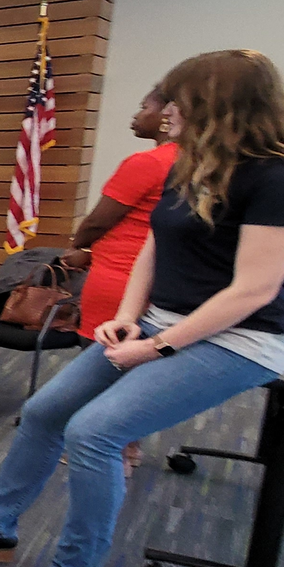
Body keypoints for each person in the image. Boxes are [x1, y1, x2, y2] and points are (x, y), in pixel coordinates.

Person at [0, 49, 284, 567]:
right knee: (45, 413)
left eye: (176, 99)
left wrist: (158, 345)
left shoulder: (277, 179)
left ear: (215, 104)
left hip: (239, 340)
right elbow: (154, 247)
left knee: (94, 433)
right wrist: (131, 315)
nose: (164, 111)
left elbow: (253, 291)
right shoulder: (189, 164)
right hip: (158, 324)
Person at [58, 86, 180, 473]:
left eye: (144, 106)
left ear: (168, 114)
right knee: (134, 366)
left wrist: (77, 247)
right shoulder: (198, 165)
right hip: (160, 282)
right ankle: (127, 446)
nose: (136, 114)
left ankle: (108, 451)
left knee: (101, 365)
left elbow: (99, 220)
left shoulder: (148, 163)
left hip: (119, 281)